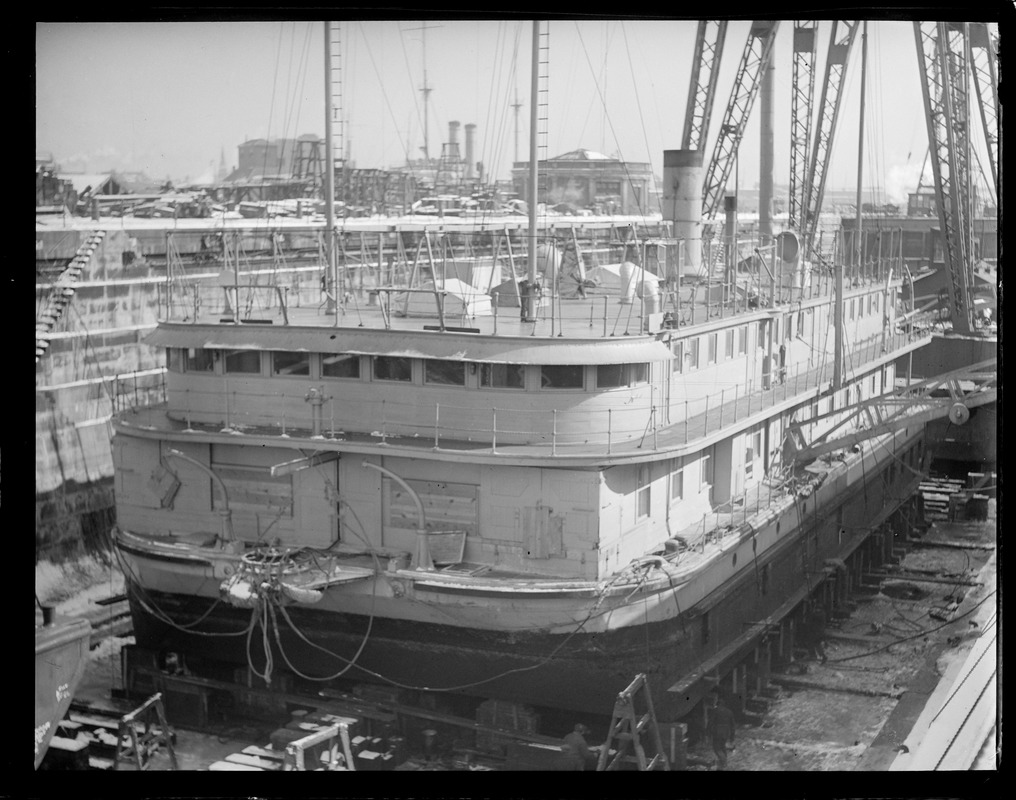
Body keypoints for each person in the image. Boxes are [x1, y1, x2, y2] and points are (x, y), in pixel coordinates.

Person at [708, 695, 735, 770]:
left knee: (717, 748)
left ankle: (723, 763)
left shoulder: (715, 710)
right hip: (726, 732)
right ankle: (722, 763)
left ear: (717, 704)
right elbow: (733, 725)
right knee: (722, 746)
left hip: (717, 731)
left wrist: (708, 733)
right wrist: (732, 737)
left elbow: (710, 722)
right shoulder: (729, 712)